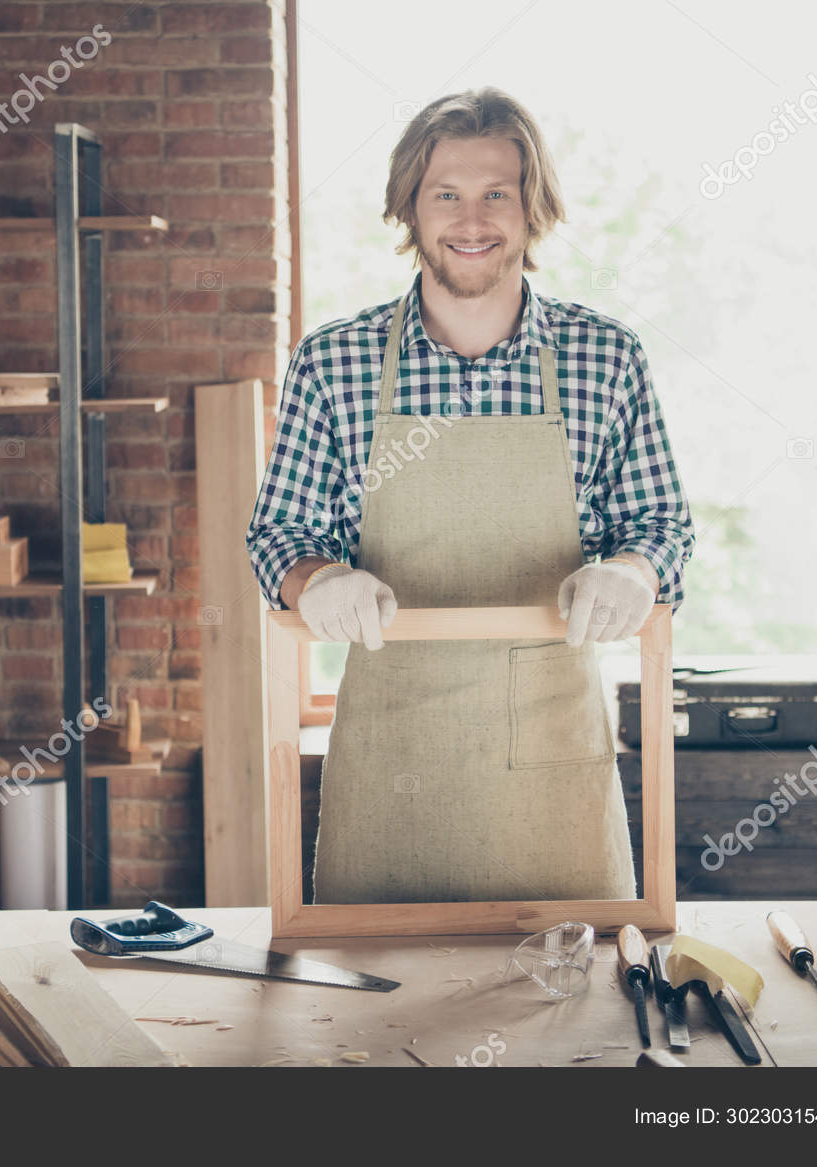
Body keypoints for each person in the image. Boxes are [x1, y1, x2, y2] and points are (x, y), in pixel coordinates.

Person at [246, 88, 694, 904]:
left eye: (498, 193)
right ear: (409, 210)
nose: (472, 218)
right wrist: (318, 580)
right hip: (392, 767)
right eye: (446, 193)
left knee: (580, 1012)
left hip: (554, 772)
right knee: (369, 1022)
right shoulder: (334, 363)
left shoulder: (605, 358)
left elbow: (661, 525)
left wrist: (633, 569)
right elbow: (279, 532)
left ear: (533, 208)